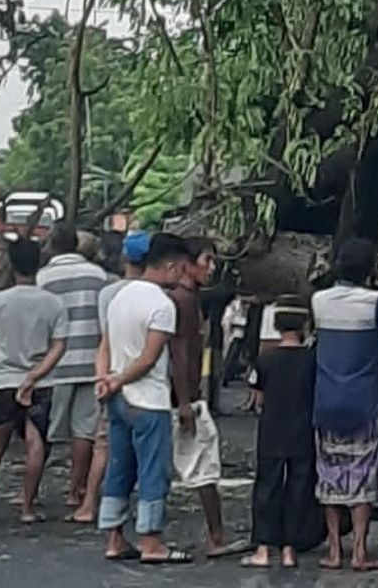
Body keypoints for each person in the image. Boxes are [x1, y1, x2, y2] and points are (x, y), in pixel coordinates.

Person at [310, 237, 378, 571]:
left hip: (325, 400)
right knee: (362, 476)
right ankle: (360, 552)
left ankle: (335, 552)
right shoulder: (374, 303)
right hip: (363, 402)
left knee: (330, 474)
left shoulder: (319, 301)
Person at [96, 233, 193, 564]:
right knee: (153, 470)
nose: (183, 276)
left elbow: (105, 346)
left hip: (117, 396)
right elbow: (150, 358)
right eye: (181, 269)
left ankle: (113, 536)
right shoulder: (163, 305)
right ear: (168, 266)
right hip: (147, 398)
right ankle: (151, 540)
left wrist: (106, 379)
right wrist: (122, 378)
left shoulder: (119, 297)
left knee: (119, 467)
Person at [0, 238, 69, 525]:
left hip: (5, 381)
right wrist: (37, 374)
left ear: (12, 265)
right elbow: (59, 345)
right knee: (36, 444)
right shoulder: (53, 303)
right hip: (41, 383)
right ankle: (27, 506)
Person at [64, 229, 148, 525]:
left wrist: (103, 375)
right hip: (144, 376)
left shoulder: (108, 291)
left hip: (112, 371)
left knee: (106, 443)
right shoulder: (155, 293)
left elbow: (105, 338)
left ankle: (89, 503)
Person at [169, 237, 246, 558]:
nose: (211, 268)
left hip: (179, 394)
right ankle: (216, 536)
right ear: (186, 263)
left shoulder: (187, 298)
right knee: (204, 466)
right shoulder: (184, 300)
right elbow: (181, 352)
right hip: (183, 397)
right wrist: (186, 399)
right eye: (207, 260)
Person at [35, 222, 108, 516]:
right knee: (84, 430)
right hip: (91, 360)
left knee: (44, 430)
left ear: (52, 245)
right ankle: (76, 489)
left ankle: (31, 490)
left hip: (55, 363)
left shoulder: (44, 278)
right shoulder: (98, 275)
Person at [243, 303, 318, 569]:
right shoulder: (312, 359)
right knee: (300, 488)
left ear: (276, 326)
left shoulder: (265, 359)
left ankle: (263, 548)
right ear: (304, 326)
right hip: (302, 430)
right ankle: (290, 549)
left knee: (267, 486)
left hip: (272, 430)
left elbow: (258, 398)